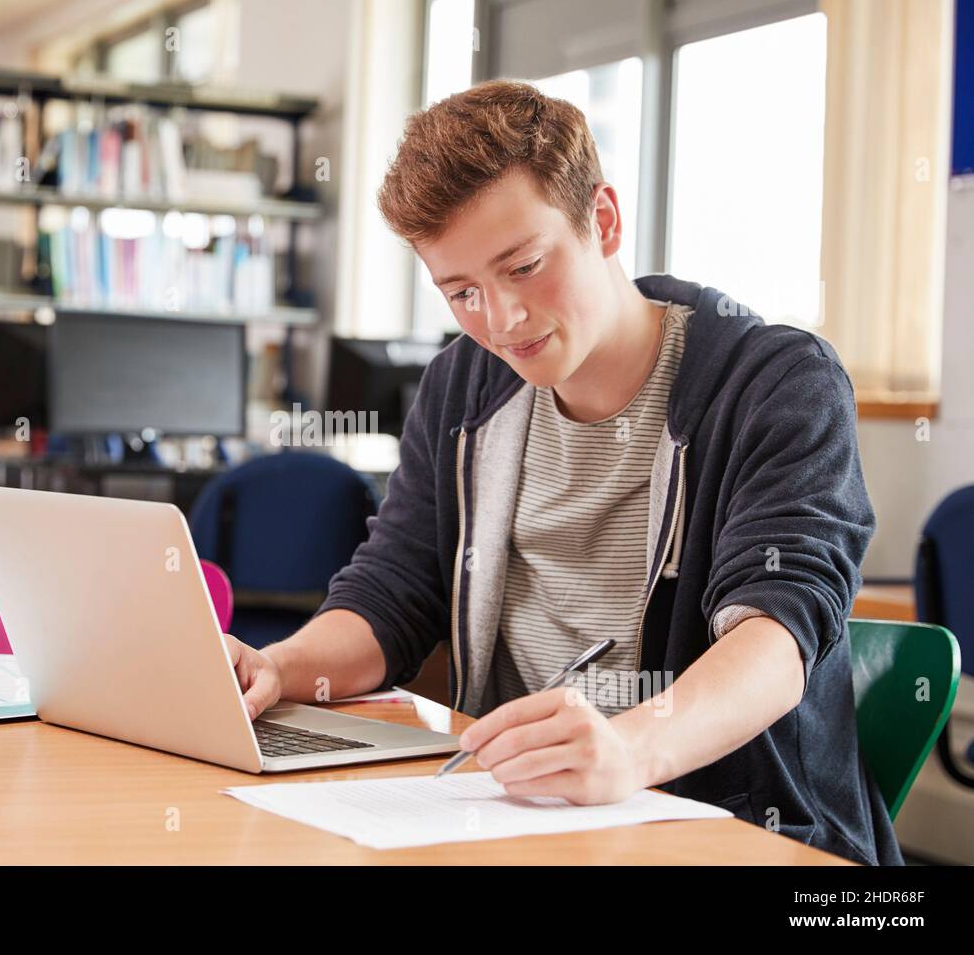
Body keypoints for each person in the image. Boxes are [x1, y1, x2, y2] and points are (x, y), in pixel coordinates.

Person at [222, 79, 902, 865]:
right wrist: (276, 667)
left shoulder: (775, 383)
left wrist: (630, 751)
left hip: (734, 831)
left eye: (524, 266)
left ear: (602, 221)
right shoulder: (462, 388)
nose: (500, 321)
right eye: (463, 292)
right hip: (514, 822)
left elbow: (778, 639)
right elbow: (391, 591)